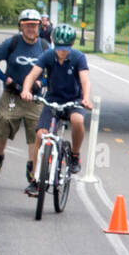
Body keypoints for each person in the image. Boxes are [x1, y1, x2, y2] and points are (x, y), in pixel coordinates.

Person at [0, 8, 52, 189]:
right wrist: (5, 78)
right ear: (21, 27)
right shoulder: (12, 43)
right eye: (27, 25)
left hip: (34, 99)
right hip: (13, 96)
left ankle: (32, 170)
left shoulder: (45, 47)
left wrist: (42, 82)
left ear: (39, 27)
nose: (31, 29)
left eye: (34, 25)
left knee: (36, 134)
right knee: (3, 123)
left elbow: (52, 72)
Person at [20, 23, 93, 187]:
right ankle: (35, 178)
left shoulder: (78, 57)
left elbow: (85, 80)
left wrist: (86, 98)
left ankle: (74, 155)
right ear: (53, 43)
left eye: (66, 48)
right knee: (40, 135)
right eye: (59, 47)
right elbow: (32, 75)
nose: (62, 51)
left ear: (72, 45)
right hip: (52, 99)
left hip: (74, 100)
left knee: (77, 121)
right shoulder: (47, 55)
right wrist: (26, 90)